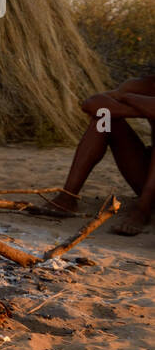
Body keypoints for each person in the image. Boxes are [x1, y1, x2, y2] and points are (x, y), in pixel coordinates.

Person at [46, 74, 155, 235]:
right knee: (104, 120)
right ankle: (68, 196)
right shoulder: (144, 86)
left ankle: (142, 210)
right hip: (145, 177)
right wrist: (132, 100)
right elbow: (91, 104)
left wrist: (123, 100)